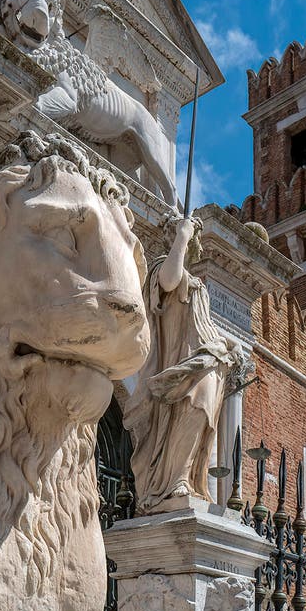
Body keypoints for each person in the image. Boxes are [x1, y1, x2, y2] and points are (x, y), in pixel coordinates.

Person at [125, 216, 234, 515]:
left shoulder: (197, 283)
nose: (196, 237)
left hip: (206, 359)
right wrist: (183, 236)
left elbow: (202, 326)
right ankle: (173, 481)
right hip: (180, 363)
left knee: (202, 419)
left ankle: (188, 478)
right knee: (190, 406)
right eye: (191, 232)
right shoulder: (163, 266)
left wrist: (226, 347)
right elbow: (169, 281)